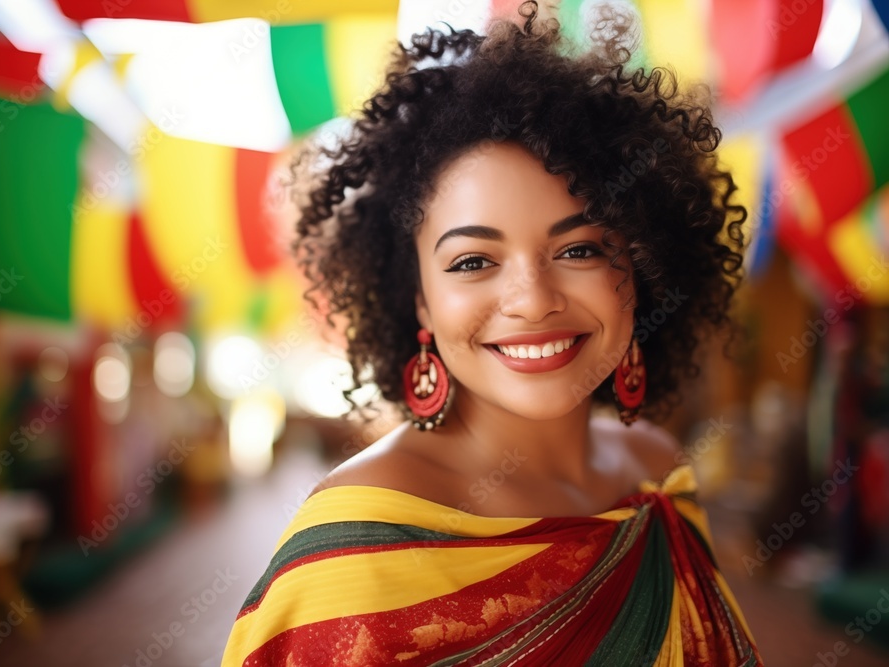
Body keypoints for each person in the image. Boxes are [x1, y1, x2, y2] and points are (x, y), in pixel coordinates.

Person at [221, 2, 762, 665]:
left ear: (642, 263)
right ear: (418, 298)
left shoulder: (660, 474)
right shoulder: (357, 547)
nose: (532, 299)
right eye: (473, 261)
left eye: (581, 249)